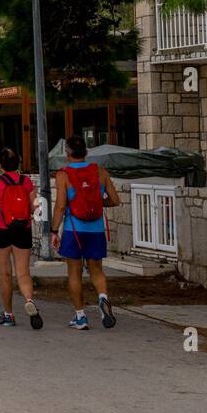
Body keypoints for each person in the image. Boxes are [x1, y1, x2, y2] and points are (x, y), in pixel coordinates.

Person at [50, 135, 121, 330]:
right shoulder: (100, 172)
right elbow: (115, 200)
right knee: (97, 270)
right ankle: (103, 298)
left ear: (67, 153)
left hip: (75, 229)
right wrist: (98, 202)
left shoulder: (63, 175)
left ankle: (80, 317)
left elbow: (60, 206)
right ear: (86, 152)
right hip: (96, 229)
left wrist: (54, 230)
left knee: (74, 272)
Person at [0, 148, 42, 329]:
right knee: (23, 273)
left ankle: (8, 315)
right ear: (19, 163)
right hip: (23, 229)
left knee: (5, 274)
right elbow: (34, 207)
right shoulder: (27, 182)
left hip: (1, 230)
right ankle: (29, 300)